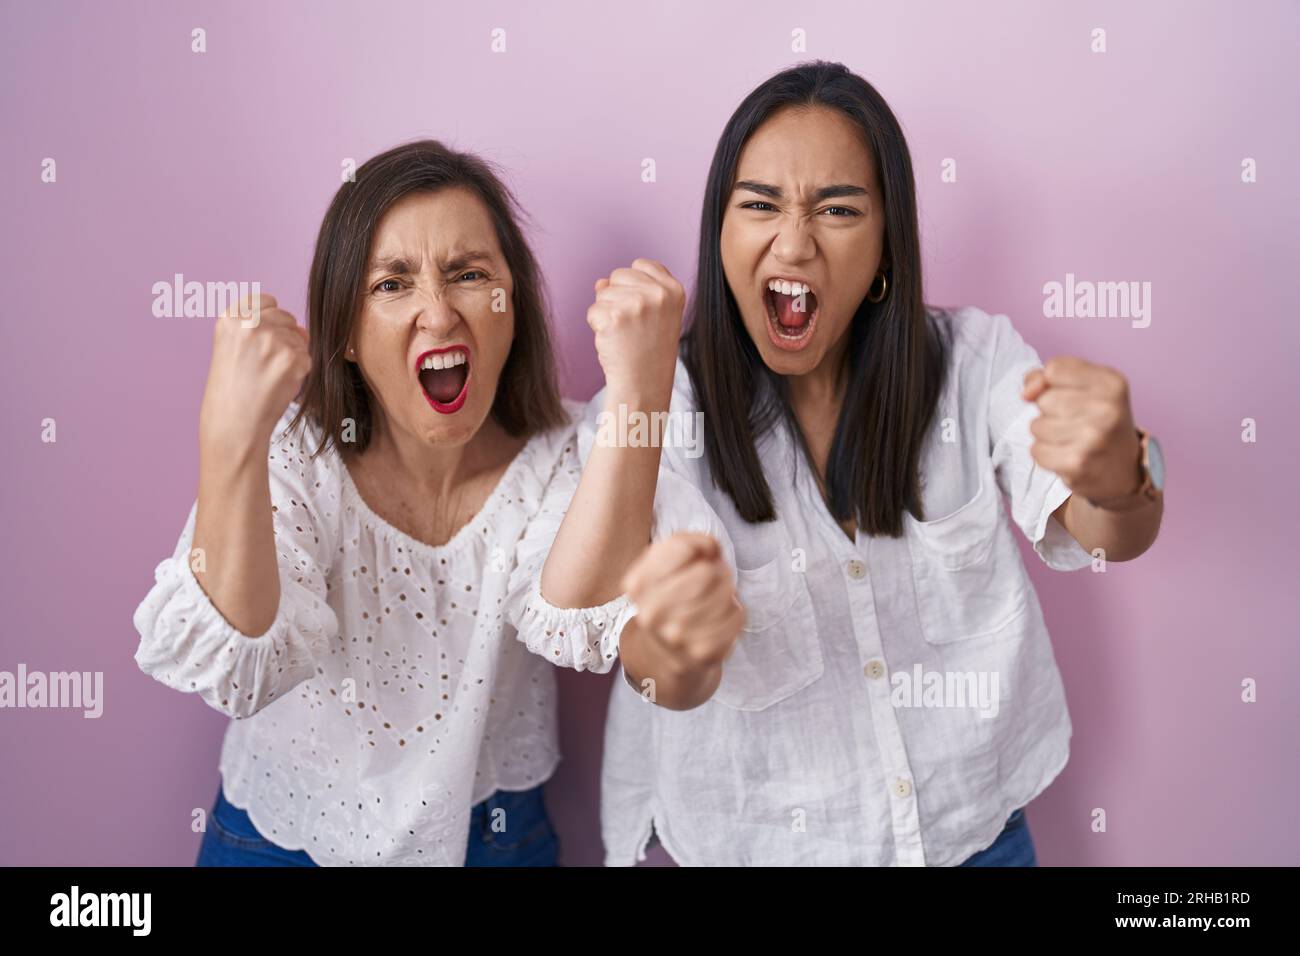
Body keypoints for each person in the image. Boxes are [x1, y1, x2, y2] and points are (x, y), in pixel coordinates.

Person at [548, 61, 1165, 866]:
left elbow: (1108, 533)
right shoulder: (658, 408)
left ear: (884, 246)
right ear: (721, 231)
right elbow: (654, 672)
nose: (794, 240)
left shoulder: (975, 362)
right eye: (760, 205)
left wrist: (1120, 475)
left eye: (837, 209)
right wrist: (680, 644)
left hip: (974, 833)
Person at [133, 139, 735, 866]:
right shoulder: (298, 455)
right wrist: (228, 440)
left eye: (469, 274)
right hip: (282, 837)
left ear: (513, 307)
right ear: (347, 335)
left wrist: (642, 390)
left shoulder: (562, 459)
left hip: (494, 835)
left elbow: (575, 617)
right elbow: (239, 671)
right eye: (392, 284)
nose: (439, 313)